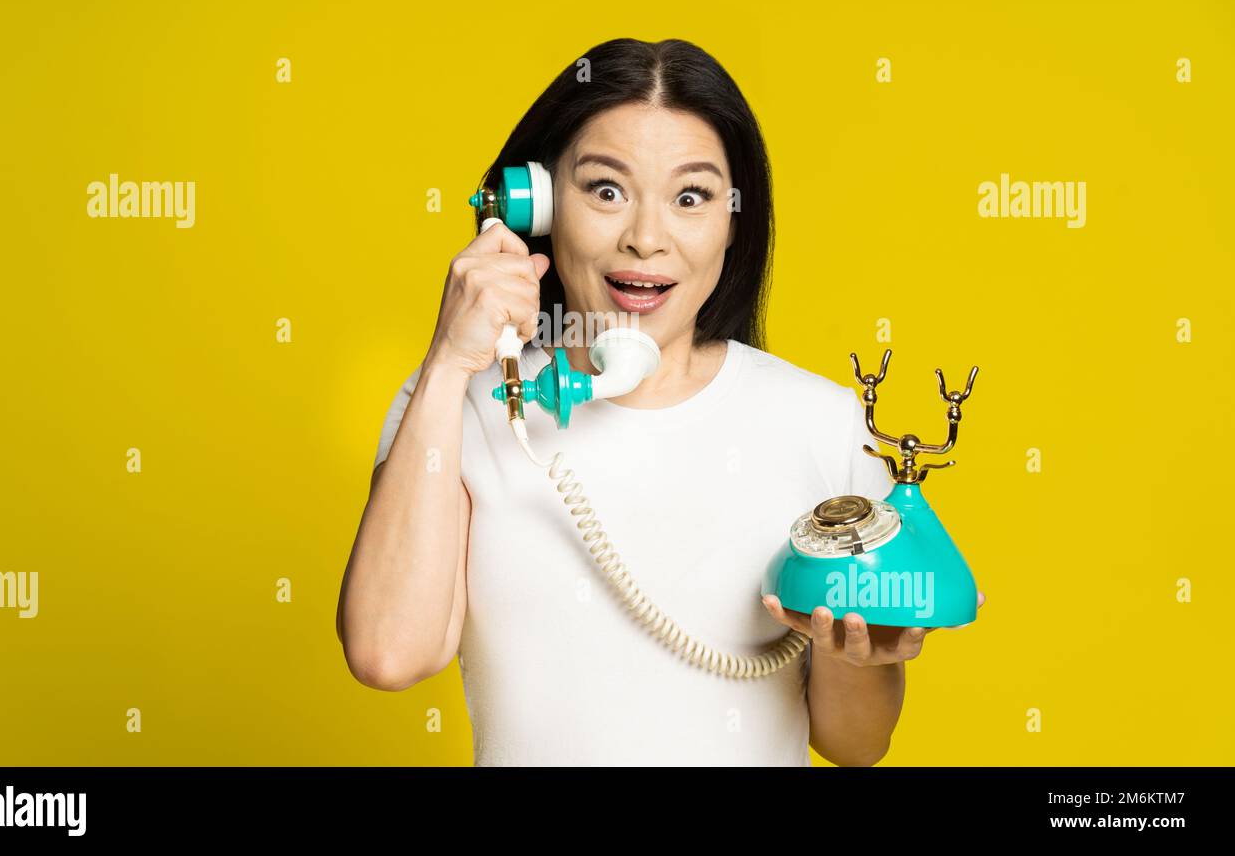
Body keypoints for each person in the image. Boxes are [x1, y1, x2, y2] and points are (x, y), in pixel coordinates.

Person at [336, 38, 983, 766]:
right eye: (605, 190)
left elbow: (854, 746)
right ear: (535, 206)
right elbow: (389, 653)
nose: (645, 238)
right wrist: (452, 359)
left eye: (691, 197)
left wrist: (857, 658)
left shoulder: (825, 424)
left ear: (734, 222)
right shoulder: (458, 406)